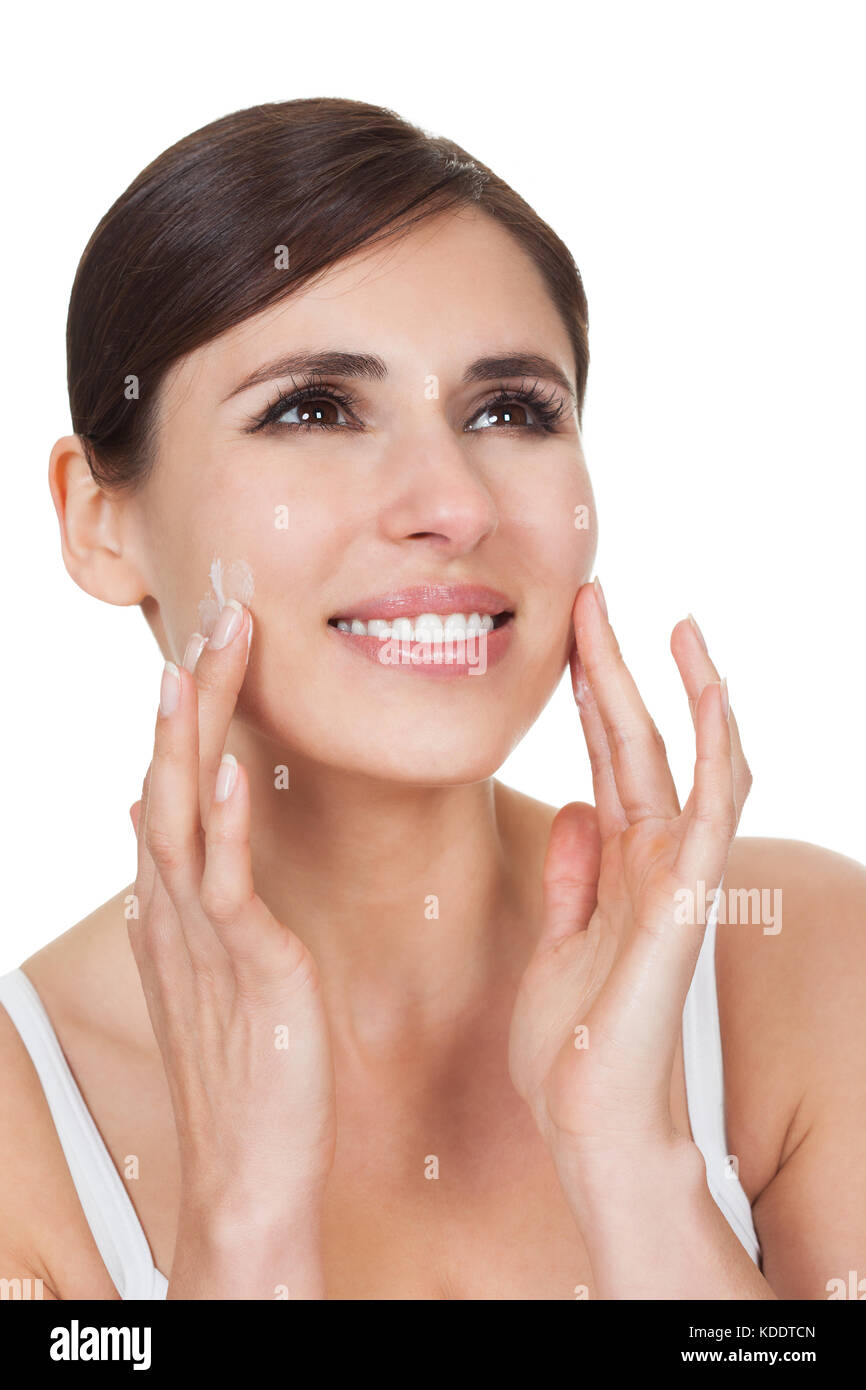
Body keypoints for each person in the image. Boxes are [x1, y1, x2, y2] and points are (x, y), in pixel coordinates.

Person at [1, 98, 863, 1301]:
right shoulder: (23, 1126)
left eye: (509, 409)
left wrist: (630, 1165)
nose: (451, 503)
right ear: (100, 522)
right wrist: (241, 1225)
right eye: (311, 408)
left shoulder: (809, 964)